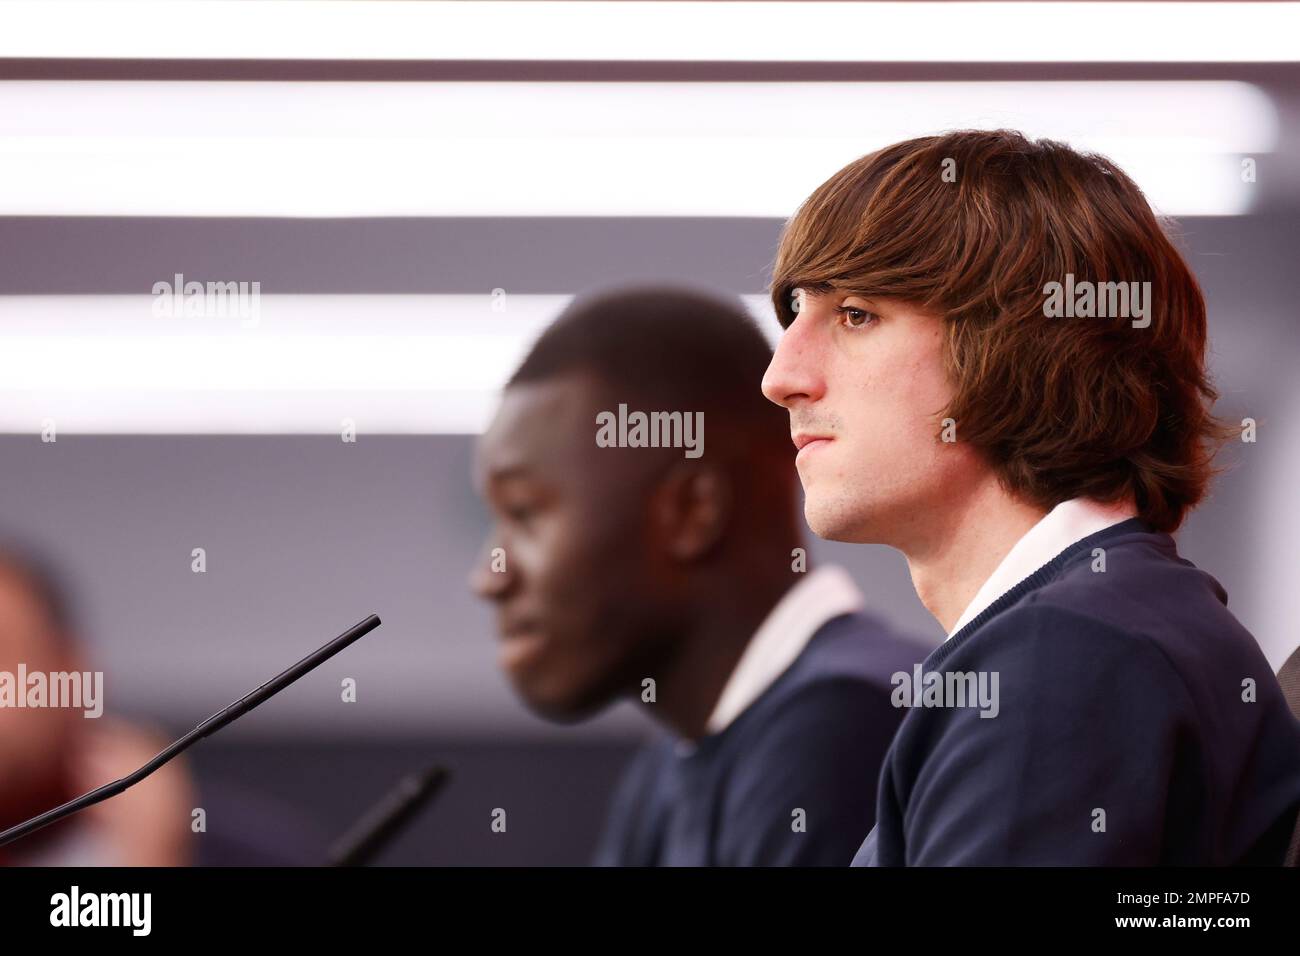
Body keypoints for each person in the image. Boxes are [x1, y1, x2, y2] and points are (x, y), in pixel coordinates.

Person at [761, 129, 1300, 865]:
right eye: (793, 314)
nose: (781, 375)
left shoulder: (1068, 654)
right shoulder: (1093, 629)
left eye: (855, 313)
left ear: (1020, 342)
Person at [469, 285, 926, 866]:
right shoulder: (673, 761)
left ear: (694, 510)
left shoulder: (844, 729)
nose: (489, 576)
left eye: (525, 513)